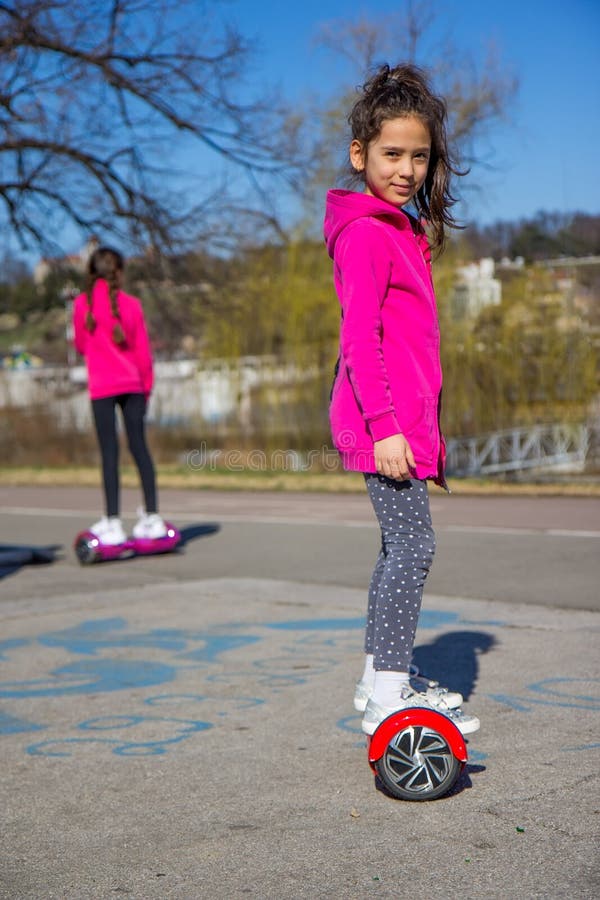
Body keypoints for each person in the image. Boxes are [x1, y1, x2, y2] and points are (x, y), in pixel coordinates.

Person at [324, 64, 480, 737]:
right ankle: (389, 688)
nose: (407, 169)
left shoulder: (400, 229)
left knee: (399, 546)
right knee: (413, 546)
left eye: (420, 156)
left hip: (400, 420)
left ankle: (377, 679)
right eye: (392, 154)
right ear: (360, 155)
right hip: (383, 424)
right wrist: (388, 428)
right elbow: (359, 339)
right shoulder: (365, 233)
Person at [73, 246, 167, 544]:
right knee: (140, 449)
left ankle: (112, 522)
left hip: (101, 387)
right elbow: (143, 352)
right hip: (133, 385)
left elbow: (80, 345)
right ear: (120, 273)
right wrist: (146, 388)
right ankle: (152, 517)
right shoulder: (132, 305)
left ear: (91, 272)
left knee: (109, 453)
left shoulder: (81, 306)